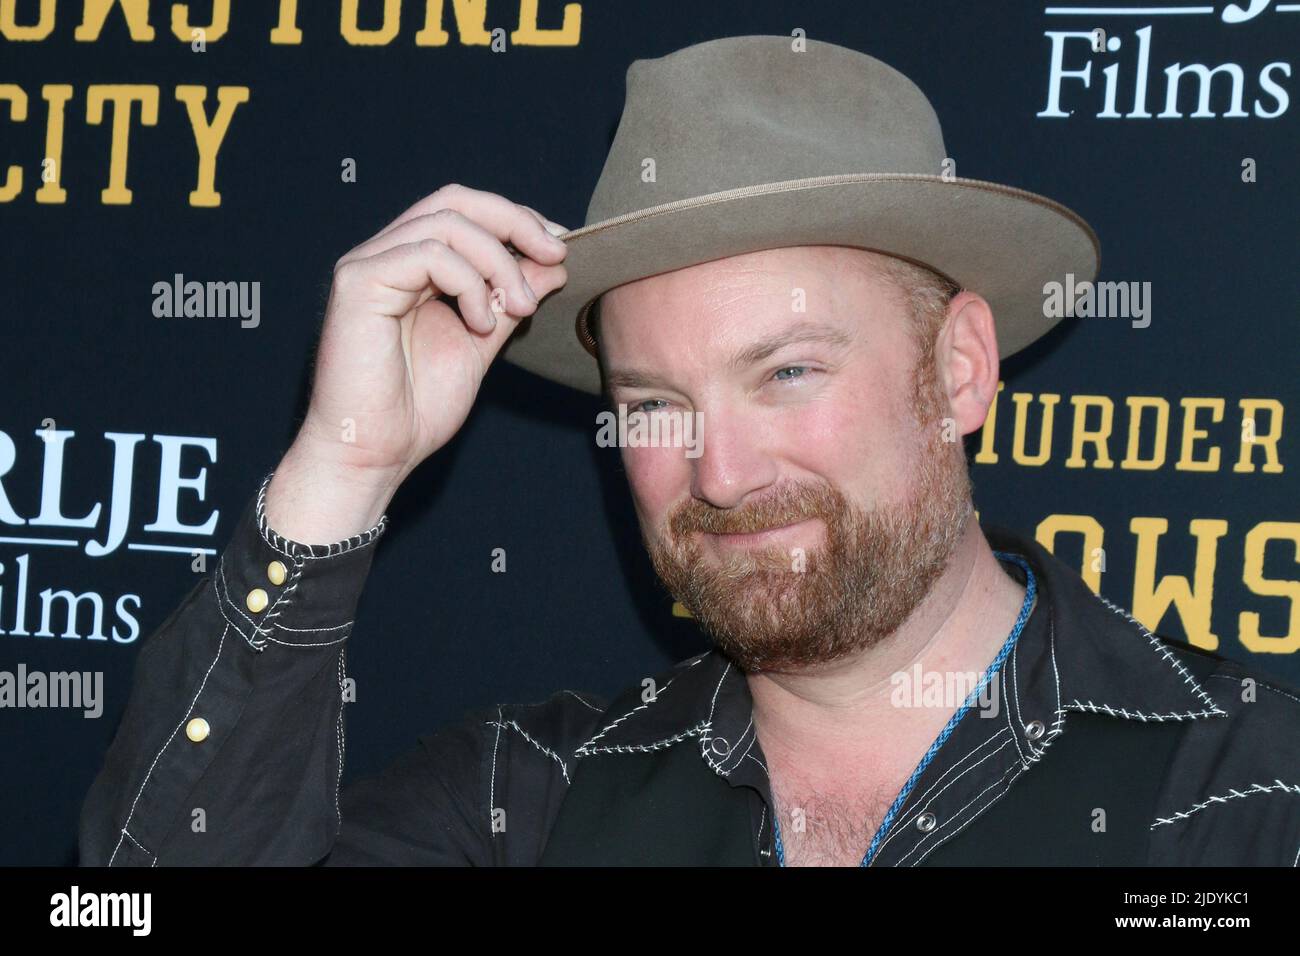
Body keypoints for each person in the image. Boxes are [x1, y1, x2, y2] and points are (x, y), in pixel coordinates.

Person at [80, 35, 1299, 867]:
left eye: (786, 371)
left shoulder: (1246, 790)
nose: (717, 474)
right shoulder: (529, 798)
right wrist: (340, 471)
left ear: (959, 369)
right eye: (654, 403)